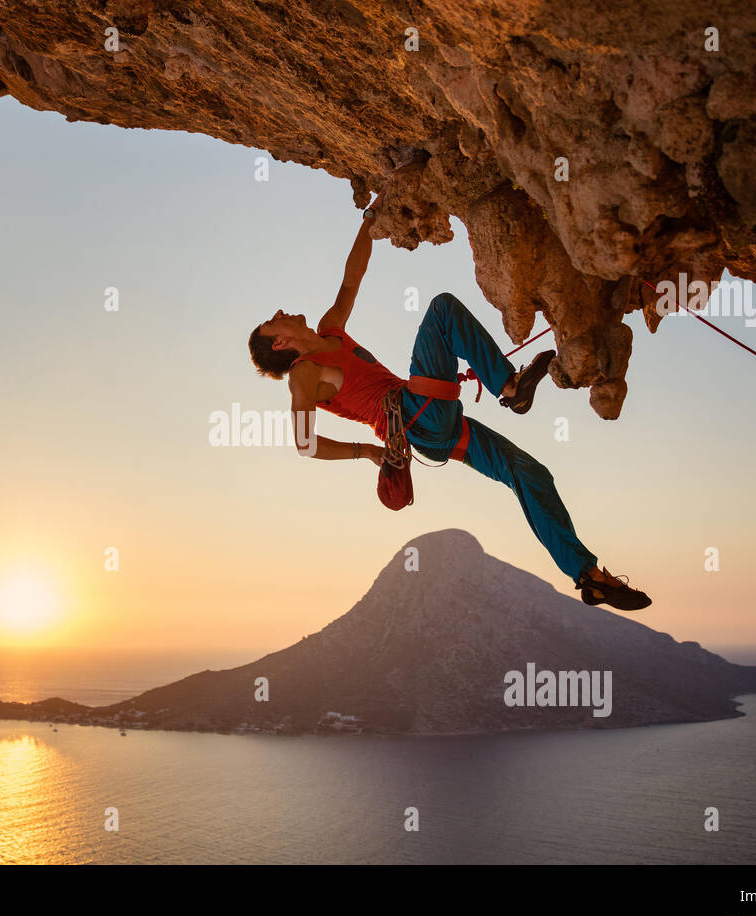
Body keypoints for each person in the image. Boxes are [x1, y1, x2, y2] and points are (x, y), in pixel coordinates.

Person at [247, 198, 652, 611]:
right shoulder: (304, 372)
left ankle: (589, 576)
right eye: (272, 320)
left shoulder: (330, 329)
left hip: (435, 425)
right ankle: (509, 387)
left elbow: (353, 277)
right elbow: (304, 443)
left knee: (531, 475)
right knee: (442, 311)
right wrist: (367, 452)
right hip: (414, 415)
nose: (279, 311)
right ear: (279, 343)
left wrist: (370, 219)